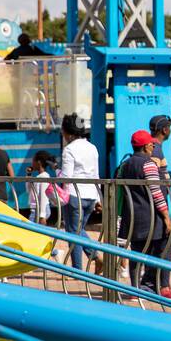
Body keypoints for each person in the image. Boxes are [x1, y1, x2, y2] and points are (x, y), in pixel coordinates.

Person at [117, 130, 171, 296]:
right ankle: (162, 286)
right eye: (151, 143)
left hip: (133, 216)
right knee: (163, 247)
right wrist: (166, 216)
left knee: (136, 252)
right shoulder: (148, 164)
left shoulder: (125, 164)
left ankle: (135, 289)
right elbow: (156, 191)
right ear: (146, 146)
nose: (153, 145)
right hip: (151, 216)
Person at [59, 113, 101, 270]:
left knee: (73, 232)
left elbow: (67, 177)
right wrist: (98, 199)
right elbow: (96, 175)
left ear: (68, 132)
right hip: (91, 195)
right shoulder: (92, 148)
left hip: (75, 195)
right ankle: (94, 257)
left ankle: (78, 268)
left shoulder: (69, 150)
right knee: (78, 230)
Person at [26, 150, 61, 225]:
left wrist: (42, 216)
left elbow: (43, 196)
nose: (32, 164)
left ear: (39, 162)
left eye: (33, 161)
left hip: (40, 210)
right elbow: (28, 190)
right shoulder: (38, 177)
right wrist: (28, 175)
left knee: (30, 231)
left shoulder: (44, 177)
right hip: (36, 209)